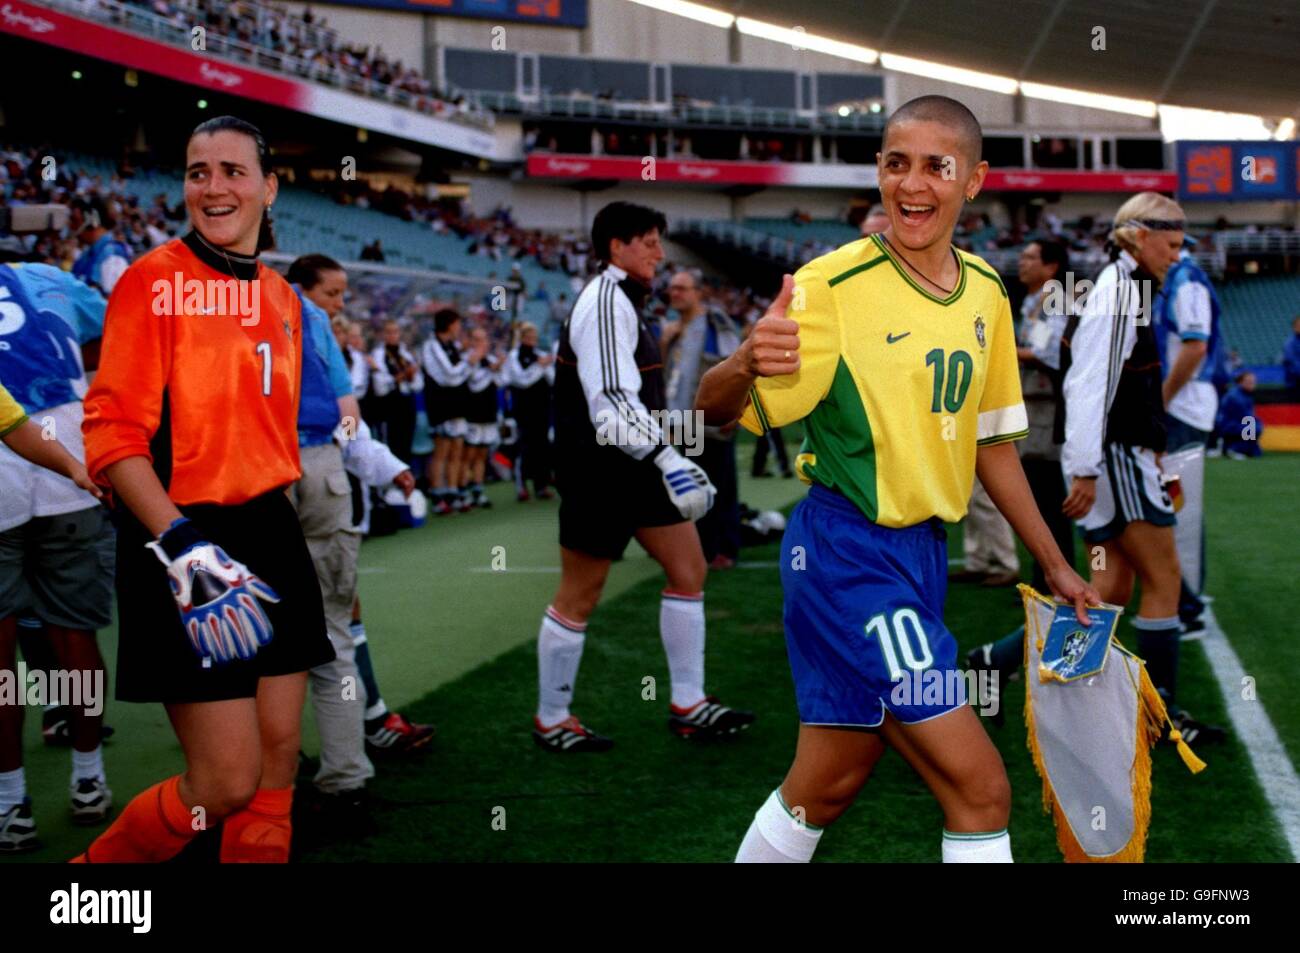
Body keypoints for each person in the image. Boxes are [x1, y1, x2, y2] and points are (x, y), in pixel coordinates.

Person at [696, 95, 1099, 863]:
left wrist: (1053, 564)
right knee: (979, 787)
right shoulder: (830, 287)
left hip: (920, 559)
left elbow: (993, 446)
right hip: (846, 560)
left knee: (829, 781)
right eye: (895, 162)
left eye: (936, 166)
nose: (912, 184)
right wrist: (742, 362)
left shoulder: (985, 291)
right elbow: (714, 411)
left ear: (974, 180)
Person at [77, 115, 335, 863]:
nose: (214, 187)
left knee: (279, 757)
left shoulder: (283, 297)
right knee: (224, 780)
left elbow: (270, 432)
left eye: (232, 170)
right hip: (181, 541)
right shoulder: (153, 280)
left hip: (270, 534)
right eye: (198, 172)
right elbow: (114, 435)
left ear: (269, 186)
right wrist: (183, 545)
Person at [533, 200, 753, 752]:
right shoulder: (605, 301)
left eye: (659, 239)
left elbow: (639, 407)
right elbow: (609, 404)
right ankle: (552, 717)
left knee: (689, 568)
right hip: (601, 471)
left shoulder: (628, 300)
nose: (659, 250)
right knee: (580, 594)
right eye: (649, 240)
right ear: (616, 247)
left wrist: (693, 435)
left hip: (637, 462)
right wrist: (671, 458)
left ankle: (687, 702)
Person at [1059, 191, 1224, 745]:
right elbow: (1090, 381)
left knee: (1107, 585)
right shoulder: (1122, 289)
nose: (1177, 257)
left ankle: (1052, 685)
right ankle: (1159, 716)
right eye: (1172, 245)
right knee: (1165, 579)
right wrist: (1085, 464)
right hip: (1114, 456)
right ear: (1140, 236)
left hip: (1111, 455)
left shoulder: (1123, 285)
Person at [295, 259, 433, 760]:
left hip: (267, 476)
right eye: (331, 293)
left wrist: (383, 464)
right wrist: (377, 461)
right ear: (305, 290)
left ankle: (358, 722)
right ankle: (360, 736)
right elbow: (346, 421)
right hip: (306, 476)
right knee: (334, 609)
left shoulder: (272, 320)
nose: (339, 303)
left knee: (308, 610)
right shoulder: (308, 327)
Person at [0, 262, 113, 852]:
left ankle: (9, 801)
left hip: (3, 452)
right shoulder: (46, 274)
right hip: (67, 442)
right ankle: (88, 776)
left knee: (1, 655)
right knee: (76, 633)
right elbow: (104, 330)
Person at [1155, 241, 1226, 630]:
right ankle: (1185, 595)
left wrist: (1161, 400)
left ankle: (1186, 605)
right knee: (1177, 505)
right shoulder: (1180, 279)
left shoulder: (1186, 280)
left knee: (1177, 507)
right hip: (1184, 405)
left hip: (1182, 407)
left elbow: (1195, 347)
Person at [662, 268, 743, 569]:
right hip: (681, 423)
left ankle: (723, 549)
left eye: (682, 288)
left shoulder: (713, 322)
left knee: (718, 487)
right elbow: (667, 376)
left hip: (710, 420)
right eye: (672, 288)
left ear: (698, 292)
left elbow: (736, 363)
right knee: (692, 487)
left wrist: (733, 407)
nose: (675, 293)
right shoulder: (672, 329)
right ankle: (701, 549)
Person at [420, 309, 474, 514]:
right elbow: (449, 376)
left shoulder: (453, 346)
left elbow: (459, 373)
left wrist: (467, 361)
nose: (459, 328)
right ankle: (438, 494)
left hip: (458, 403)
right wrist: (469, 361)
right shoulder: (431, 345)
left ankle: (453, 492)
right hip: (441, 404)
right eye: (457, 323)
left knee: (457, 450)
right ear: (449, 324)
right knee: (442, 451)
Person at [506, 322, 554, 501]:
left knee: (542, 447)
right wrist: (539, 366)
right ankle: (521, 486)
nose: (532, 341)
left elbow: (552, 378)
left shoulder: (540, 355)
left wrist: (543, 365)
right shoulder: (513, 356)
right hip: (523, 410)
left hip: (542, 408)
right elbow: (521, 380)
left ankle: (541, 485)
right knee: (524, 447)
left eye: (534, 337)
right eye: (529, 337)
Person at [461, 326, 504, 509]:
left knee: (482, 453)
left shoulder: (490, 360)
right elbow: (474, 383)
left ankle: (478, 490)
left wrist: (499, 366)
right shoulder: (467, 360)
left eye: (484, 340)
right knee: (468, 455)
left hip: (489, 412)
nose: (481, 344)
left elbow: (502, 381)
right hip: (472, 412)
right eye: (477, 340)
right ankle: (463, 491)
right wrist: (491, 370)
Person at [369, 319, 421, 464]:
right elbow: (380, 384)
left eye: (395, 332)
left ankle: (406, 481)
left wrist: (409, 377)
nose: (392, 335)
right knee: (391, 443)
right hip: (389, 404)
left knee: (407, 442)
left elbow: (418, 383)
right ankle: (390, 482)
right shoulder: (378, 354)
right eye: (389, 332)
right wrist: (401, 377)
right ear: (383, 334)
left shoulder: (406, 354)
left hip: (407, 402)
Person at [71, 199, 130, 296]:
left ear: (91, 221)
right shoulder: (87, 254)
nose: (72, 227)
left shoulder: (112, 254)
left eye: (76, 221)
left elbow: (113, 302)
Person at [1216, 371, 1262, 458]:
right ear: (1240, 382)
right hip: (1230, 425)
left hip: (1236, 424)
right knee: (1254, 429)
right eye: (1249, 382)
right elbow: (1245, 417)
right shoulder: (1235, 397)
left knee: (1256, 449)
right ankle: (1233, 448)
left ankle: (1234, 448)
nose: (1252, 384)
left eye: (1253, 382)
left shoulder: (1245, 395)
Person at [1282, 316, 1300, 399]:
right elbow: (1293, 363)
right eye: (1298, 325)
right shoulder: (1289, 343)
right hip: (1294, 383)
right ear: (1294, 327)